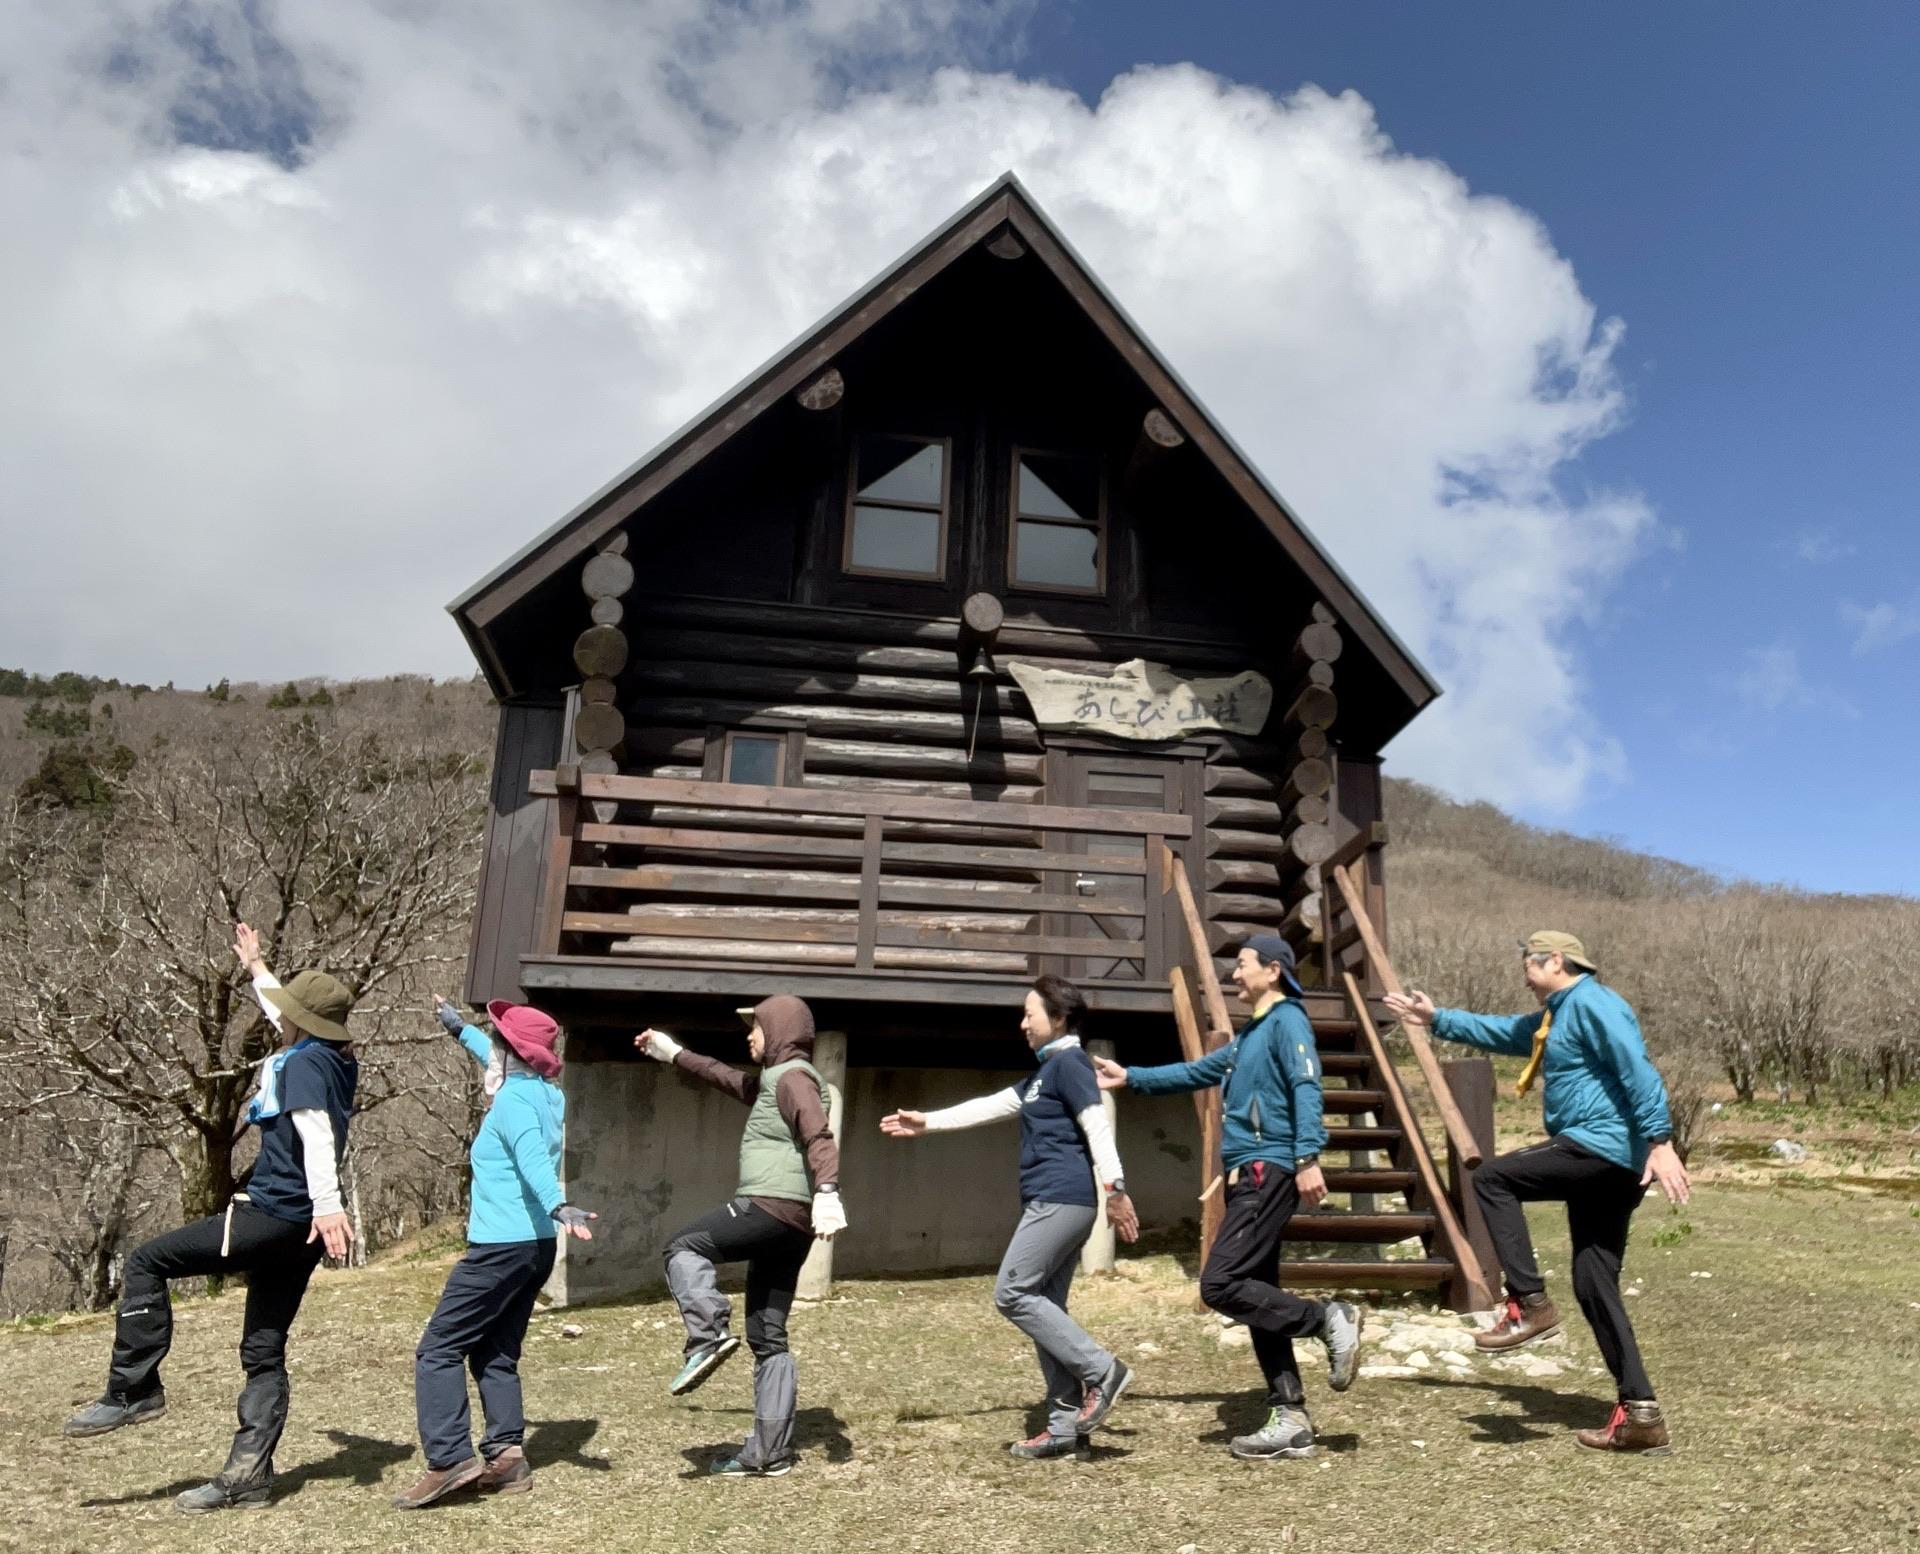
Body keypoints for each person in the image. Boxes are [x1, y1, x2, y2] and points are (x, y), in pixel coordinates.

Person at [63, 922, 358, 1514]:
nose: (284, 1016)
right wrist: (257, 968)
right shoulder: (331, 1059)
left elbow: (316, 1133)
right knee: (263, 1349)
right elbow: (284, 1016)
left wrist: (329, 1204)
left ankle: (133, 1389)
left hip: (276, 1215)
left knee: (147, 1261)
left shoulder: (300, 1068)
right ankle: (247, 1478)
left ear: (307, 1021)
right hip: (299, 1235)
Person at [1385, 931, 1690, 1456]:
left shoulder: (1593, 1002)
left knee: (1491, 1178)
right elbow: (1508, 1033)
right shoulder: (1558, 1014)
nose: (1523, 975)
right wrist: (1438, 1019)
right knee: (1594, 1282)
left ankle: (1529, 1303)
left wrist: (1660, 1140)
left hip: (1602, 1146)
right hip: (1610, 1160)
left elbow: (1636, 1066)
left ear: (1554, 960)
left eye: (1528, 963)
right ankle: (1641, 1415)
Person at [1093, 933, 1361, 1461]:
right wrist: (1133, 1077)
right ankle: (1291, 1417)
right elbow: (1199, 1072)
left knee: (1220, 1283)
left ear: (1274, 971)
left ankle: (1329, 1317)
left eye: (1241, 965)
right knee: (1258, 1294)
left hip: (1271, 1167)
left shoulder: (1288, 1022)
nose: (1233, 975)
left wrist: (1307, 1157)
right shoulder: (1250, 1034)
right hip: (1251, 1171)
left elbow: (1307, 1087)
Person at [879, 975, 1141, 1460]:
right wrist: (928, 1122)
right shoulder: (1044, 1074)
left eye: (1030, 1014)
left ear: (1058, 1018)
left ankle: (1103, 1371)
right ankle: (1064, 1429)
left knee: (1012, 1292)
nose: (1022, 1023)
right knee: (1046, 1309)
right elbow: (990, 1106)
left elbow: (1096, 1125)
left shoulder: (1070, 1065)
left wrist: (1117, 1189)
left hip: (1061, 1200)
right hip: (1056, 1201)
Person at [393, 998, 599, 1509]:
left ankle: (448, 1460)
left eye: (500, 1045)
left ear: (513, 1055)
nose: (495, 1053)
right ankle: (506, 1459)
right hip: (534, 1249)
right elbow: (494, 1055)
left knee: (438, 1350)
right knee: (495, 1352)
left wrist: (558, 1203)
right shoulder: (548, 1095)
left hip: (500, 1248)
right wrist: (459, 1029)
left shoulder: (512, 1105)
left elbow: (530, 1155)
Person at [635, 995, 845, 1478]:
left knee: (683, 1245)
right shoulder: (780, 1081)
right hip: (793, 1225)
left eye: (756, 1028)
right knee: (769, 1336)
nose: (749, 1037)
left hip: (769, 1207)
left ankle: (706, 1336)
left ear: (778, 1031)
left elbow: (818, 1134)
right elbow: (725, 1077)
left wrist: (829, 1189)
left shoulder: (792, 1079)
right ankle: (769, 1454)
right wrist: (674, 1053)